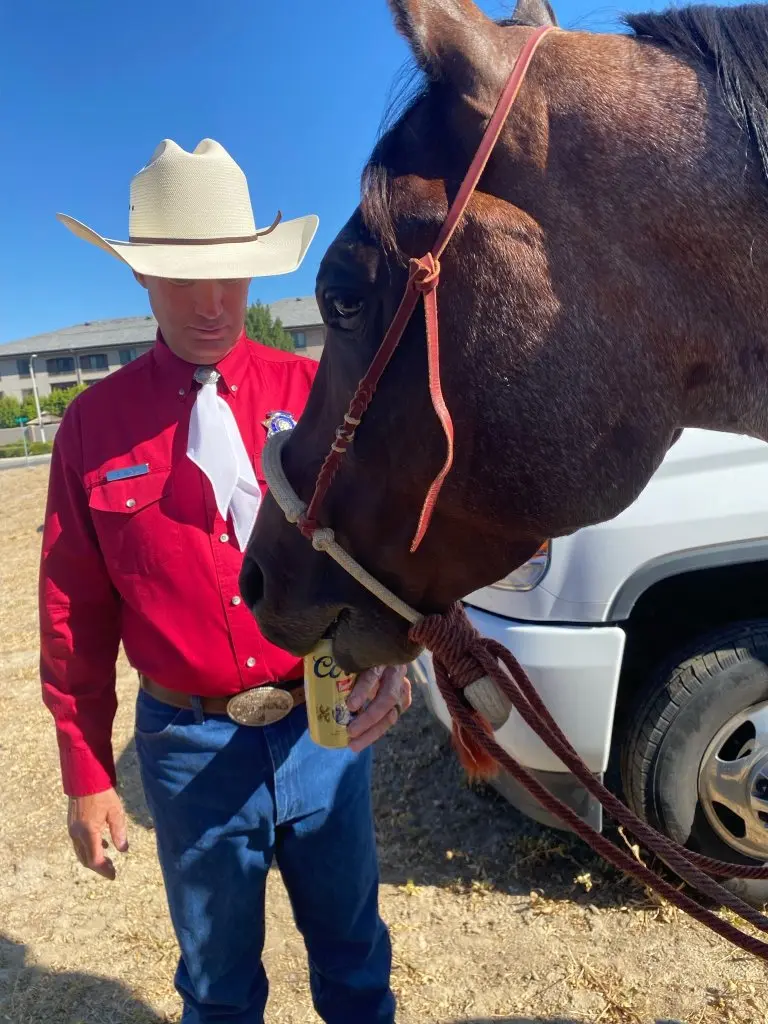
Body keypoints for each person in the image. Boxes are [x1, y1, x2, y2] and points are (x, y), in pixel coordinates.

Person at [39, 137, 412, 1024]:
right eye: (182, 276)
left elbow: (383, 545)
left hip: (321, 721)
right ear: (140, 279)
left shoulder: (315, 387)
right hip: (188, 747)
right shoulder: (93, 428)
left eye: (231, 273)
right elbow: (73, 614)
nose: (212, 302)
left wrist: (399, 656)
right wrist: (87, 774)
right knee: (216, 987)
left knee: (357, 964)